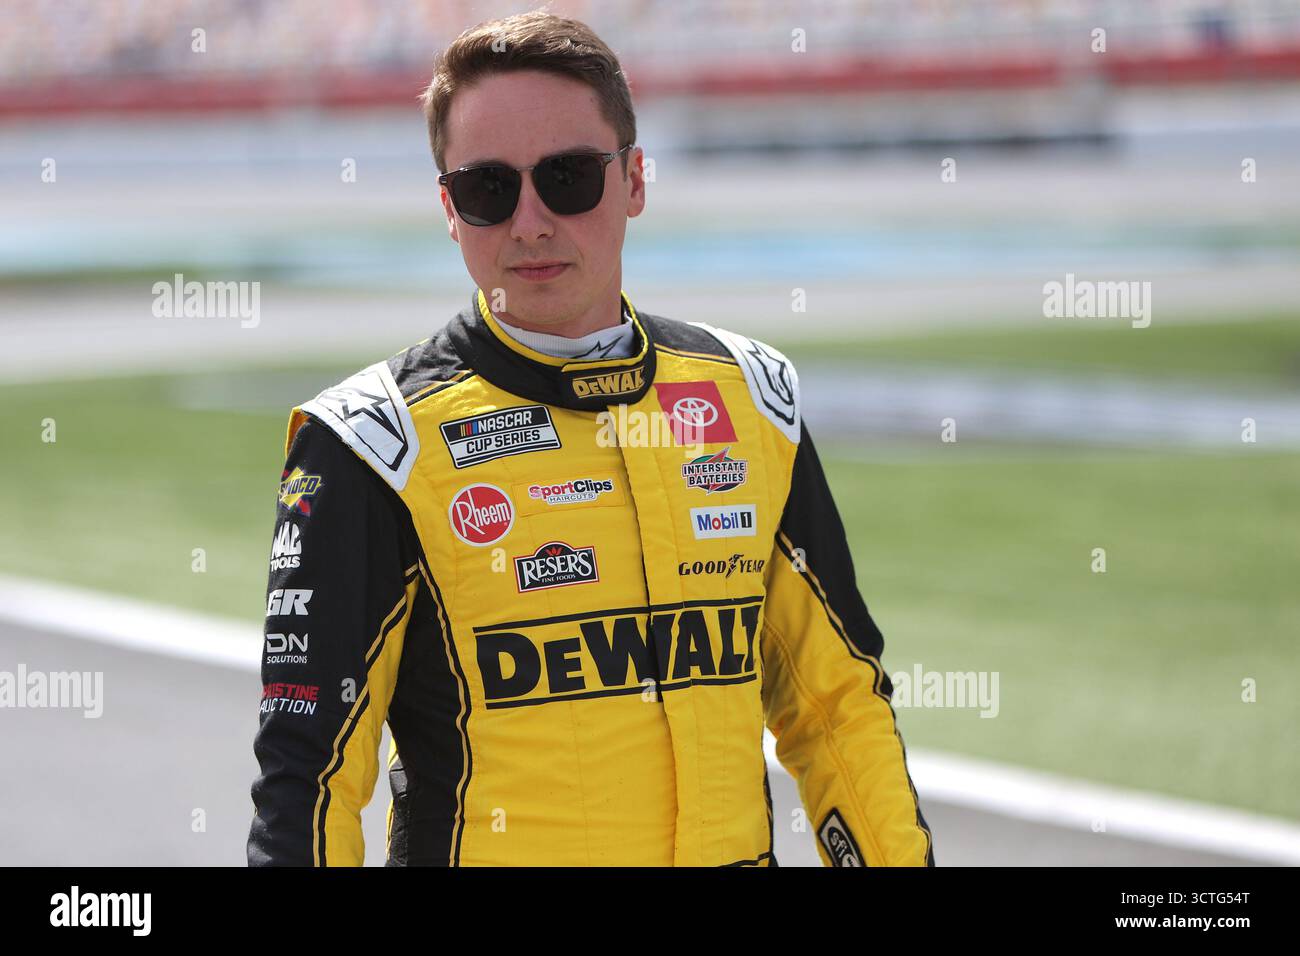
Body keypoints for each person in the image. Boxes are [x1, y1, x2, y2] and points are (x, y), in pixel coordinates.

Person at [246, 10, 934, 868]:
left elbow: (837, 710)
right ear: (449, 210)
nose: (530, 222)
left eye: (568, 178)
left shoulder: (751, 397)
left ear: (636, 180)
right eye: (487, 189)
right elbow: (308, 781)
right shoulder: (367, 444)